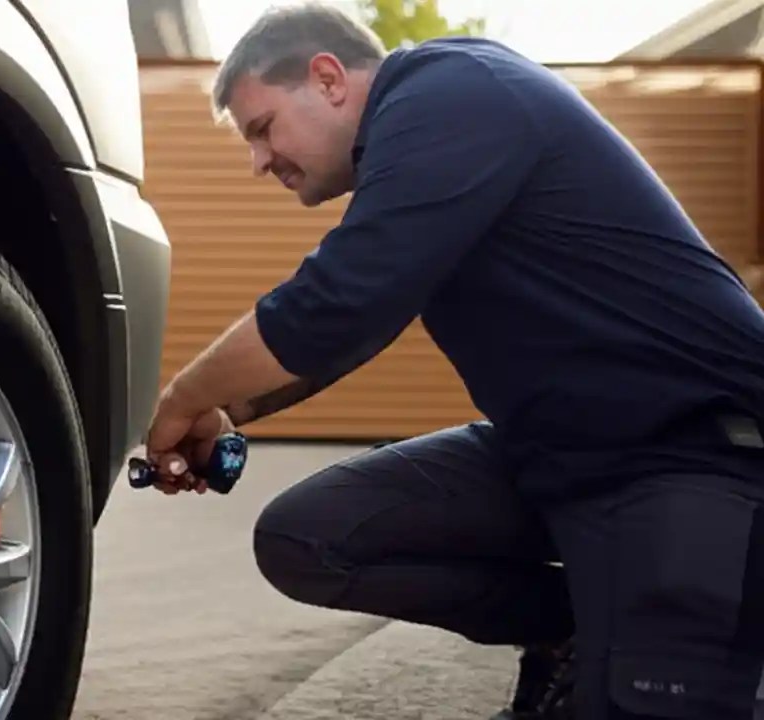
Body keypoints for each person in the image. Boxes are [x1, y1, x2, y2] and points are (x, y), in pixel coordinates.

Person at [141, 2, 764, 719]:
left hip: (686, 456)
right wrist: (232, 409)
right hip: (557, 454)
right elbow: (354, 324)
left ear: (327, 78)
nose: (259, 163)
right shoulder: (425, 142)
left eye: (262, 128)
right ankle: (579, 625)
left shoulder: (456, 92)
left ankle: (635, 636)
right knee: (307, 536)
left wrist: (181, 399)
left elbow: (338, 301)